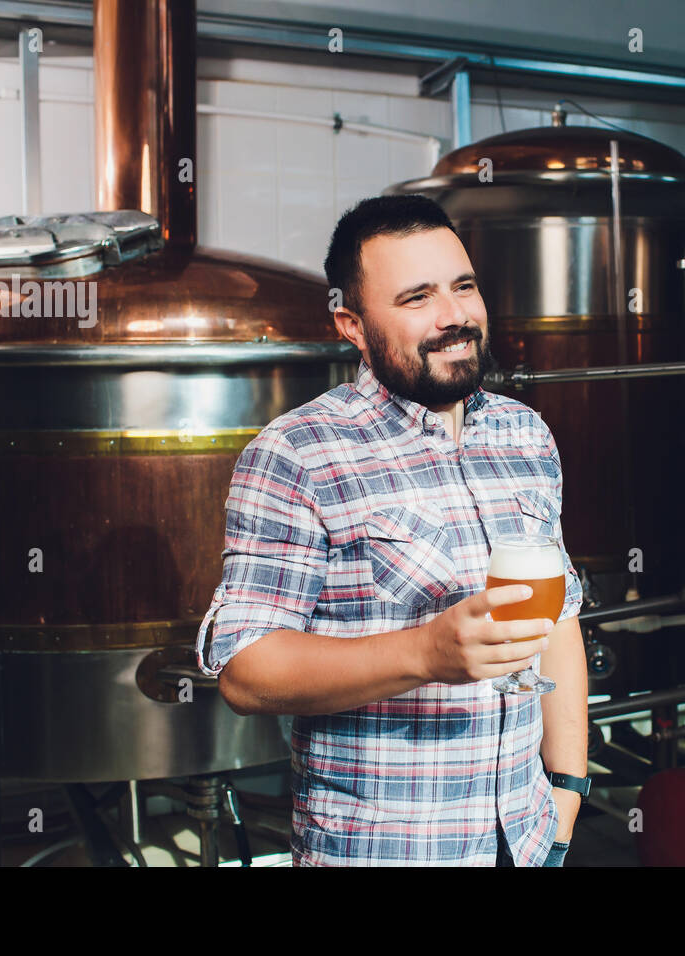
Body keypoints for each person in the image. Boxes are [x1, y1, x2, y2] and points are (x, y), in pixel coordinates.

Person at [195, 194, 589, 866]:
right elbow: (244, 668)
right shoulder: (300, 453)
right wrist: (425, 655)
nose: (455, 316)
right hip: (388, 850)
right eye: (417, 298)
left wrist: (567, 790)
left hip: (524, 838)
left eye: (464, 286)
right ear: (352, 323)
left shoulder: (524, 434)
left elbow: (557, 619)